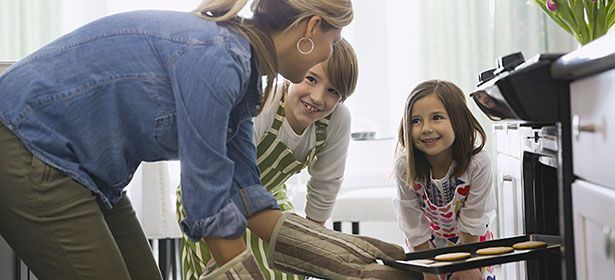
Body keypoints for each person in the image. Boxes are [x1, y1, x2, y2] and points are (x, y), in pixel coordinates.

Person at [0, 0, 426, 279]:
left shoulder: (244, 74)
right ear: (312, 27)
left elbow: (248, 198)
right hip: (31, 148)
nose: (325, 54)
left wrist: (349, 259)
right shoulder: (218, 58)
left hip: (90, 175)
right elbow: (208, 204)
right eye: (332, 41)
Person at [176, 38, 357, 280]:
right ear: (293, 72)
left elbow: (325, 186)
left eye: (332, 91)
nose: (317, 97)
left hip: (268, 198)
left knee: (289, 269)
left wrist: (312, 249)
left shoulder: (337, 121)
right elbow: (223, 173)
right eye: (311, 79)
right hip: (212, 196)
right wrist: (224, 250)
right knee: (229, 272)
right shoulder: (265, 101)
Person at [393, 80, 497, 280]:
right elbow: (412, 222)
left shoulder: (478, 163)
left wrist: (466, 264)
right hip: (424, 248)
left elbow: (474, 218)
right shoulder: (405, 168)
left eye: (437, 118)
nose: (426, 128)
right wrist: (427, 268)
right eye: (415, 121)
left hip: (472, 244)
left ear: (457, 120)